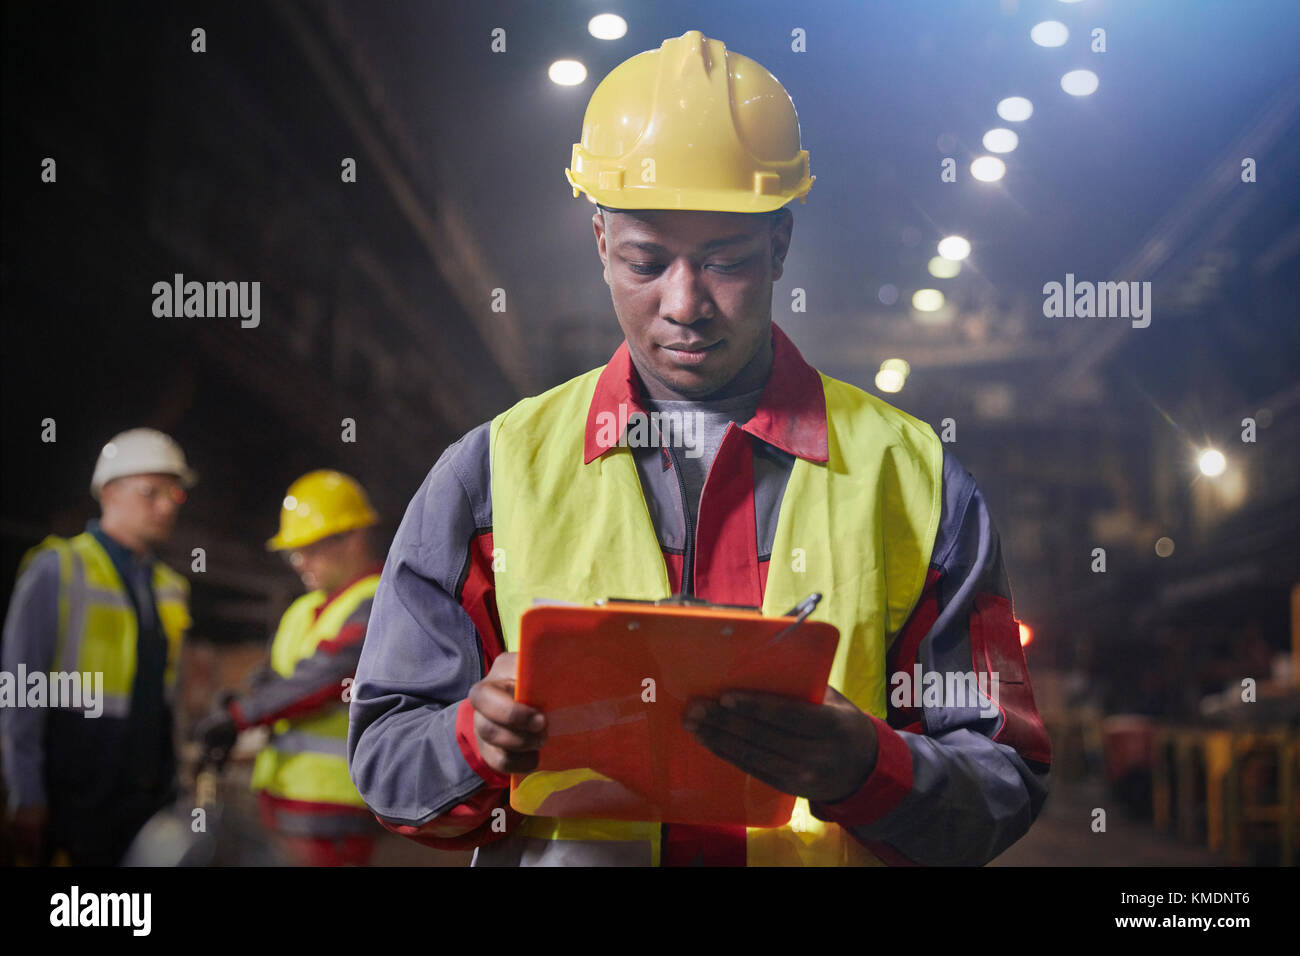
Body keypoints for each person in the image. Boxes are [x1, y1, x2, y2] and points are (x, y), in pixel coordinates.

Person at [348, 30, 1051, 866]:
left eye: (726, 261)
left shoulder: (917, 482)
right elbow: (387, 763)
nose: (685, 304)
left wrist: (869, 766)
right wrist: (473, 738)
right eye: (648, 260)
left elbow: (1003, 773)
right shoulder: (491, 474)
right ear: (601, 243)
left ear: (780, 246)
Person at [2, 427, 195, 865]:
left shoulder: (171, 588)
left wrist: (178, 788)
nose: (167, 506)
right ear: (109, 493)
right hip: (73, 791)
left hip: (147, 795)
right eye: (152, 493)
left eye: (175, 496)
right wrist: (25, 793)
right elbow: (19, 690)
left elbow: (173, 701)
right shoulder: (57, 570)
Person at [193, 469, 384, 866]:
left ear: (353, 537)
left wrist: (238, 717)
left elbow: (322, 678)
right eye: (293, 551)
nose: (299, 562)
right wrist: (242, 700)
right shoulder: (303, 608)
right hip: (280, 792)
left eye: (310, 548)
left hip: (332, 804)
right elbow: (272, 676)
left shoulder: (380, 601)